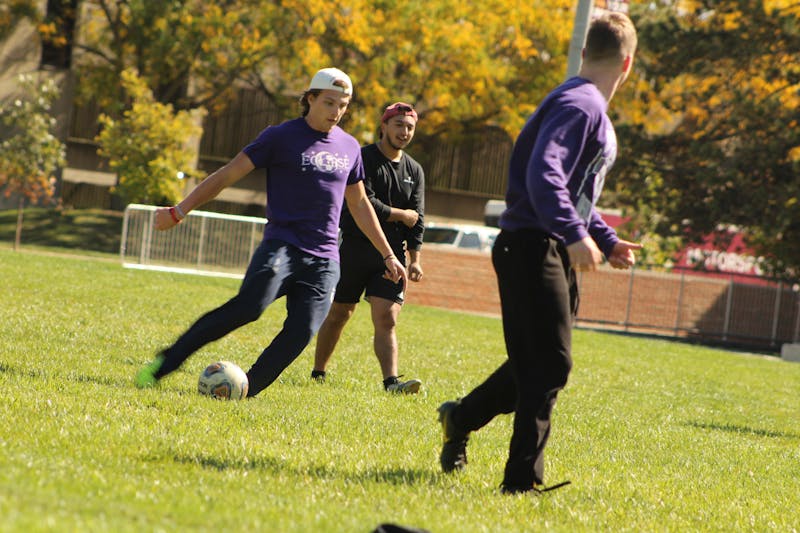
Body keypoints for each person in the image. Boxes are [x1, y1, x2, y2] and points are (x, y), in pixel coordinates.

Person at [437, 13, 642, 494]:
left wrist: (604, 238)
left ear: (586, 52)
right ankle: (520, 483)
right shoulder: (582, 104)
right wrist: (574, 234)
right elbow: (544, 174)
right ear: (628, 64)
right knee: (548, 365)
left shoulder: (584, 103)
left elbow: (571, 191)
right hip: (532, 243)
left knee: (540, 362)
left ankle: (461, 418)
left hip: (545, 242)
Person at [134, 68, 407, 397]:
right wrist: (179, 210)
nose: (336, 112)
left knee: (302, 330)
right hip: (283, 248)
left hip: (324, 260)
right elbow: (227, 175)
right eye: (329, 103)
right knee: (248, 308)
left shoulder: (349, 148)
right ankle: (164, 364)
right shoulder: (279, 137)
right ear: (310, 99)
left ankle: (243, 391)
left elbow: (360, 204)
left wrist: (388, 254)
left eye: (343, 105)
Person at [312, 102, 425, 393]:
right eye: (398, 124)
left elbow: (418, 217)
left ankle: (391, 382)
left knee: (387, 317)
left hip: (393, 256)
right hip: (356, 248)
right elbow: (365, 203)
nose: (404, 132)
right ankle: (318, 372)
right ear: (384, 125)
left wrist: (415, 260)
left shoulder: (415, 170)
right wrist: (401, 214)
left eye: (410, 127)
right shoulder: (362, 158)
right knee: (340, 312)